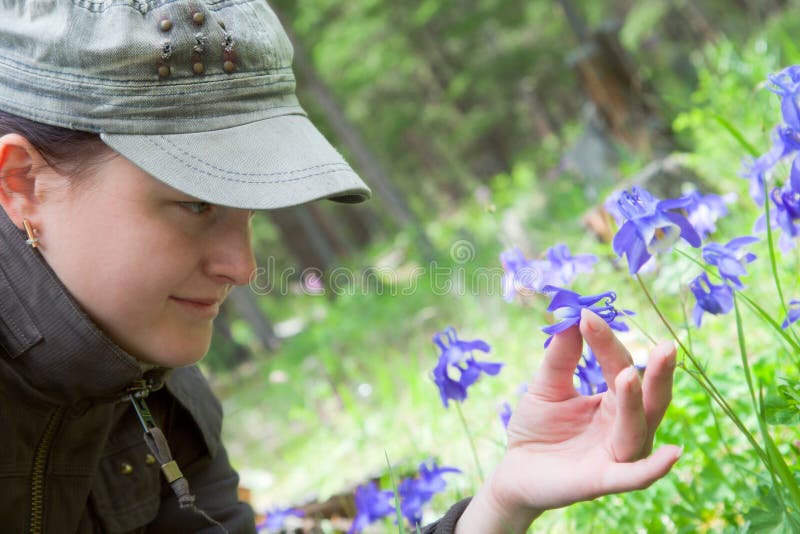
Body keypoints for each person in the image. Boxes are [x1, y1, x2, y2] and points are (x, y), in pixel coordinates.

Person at [0, 1, 680, 532]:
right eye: (197, 203)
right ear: (23, 182)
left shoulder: (145, 385)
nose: (241, 267)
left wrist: (502, 503)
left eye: (251, 209)